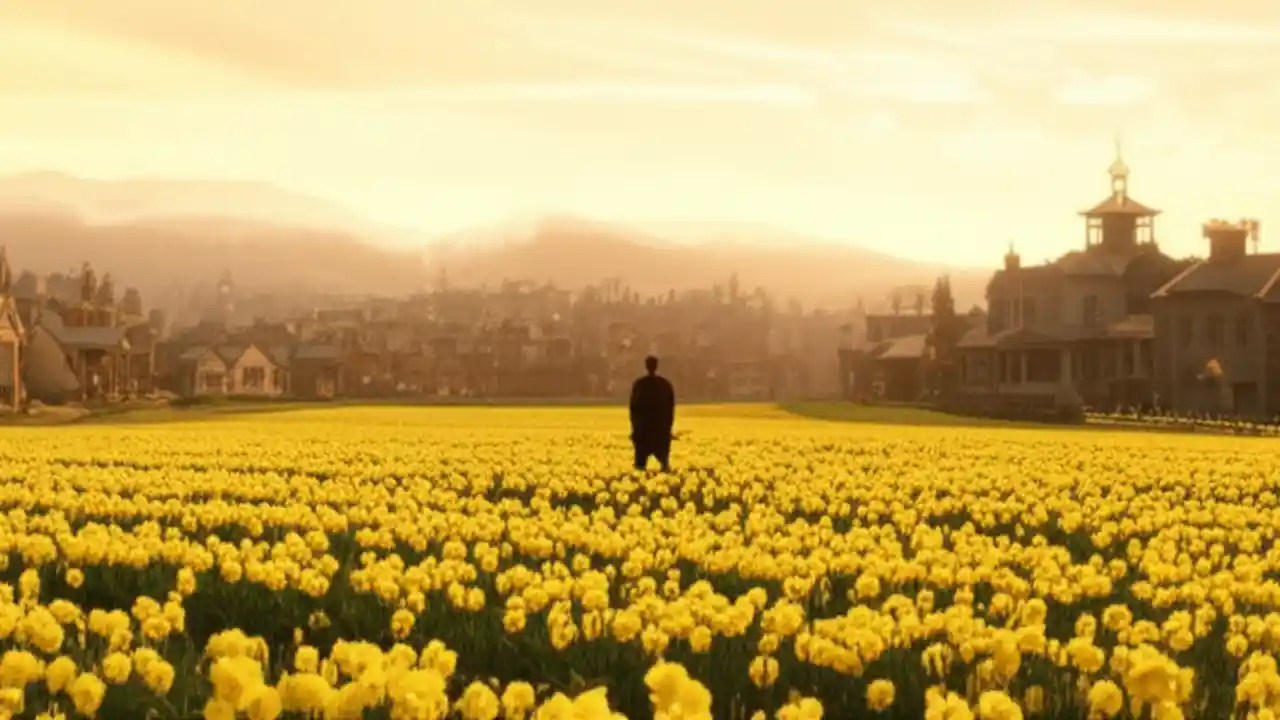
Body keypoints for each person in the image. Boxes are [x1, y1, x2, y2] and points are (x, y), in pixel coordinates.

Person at [630, 355, 675, 471]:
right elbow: (670, 410)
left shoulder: (639, 385)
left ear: (646, 366)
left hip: (643, 433)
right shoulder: (665, 385)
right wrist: (668, 429)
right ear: (657, 366)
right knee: (665, 466)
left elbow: (633, 410)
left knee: (639, 467)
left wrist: (635, 430)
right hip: (660, 432)